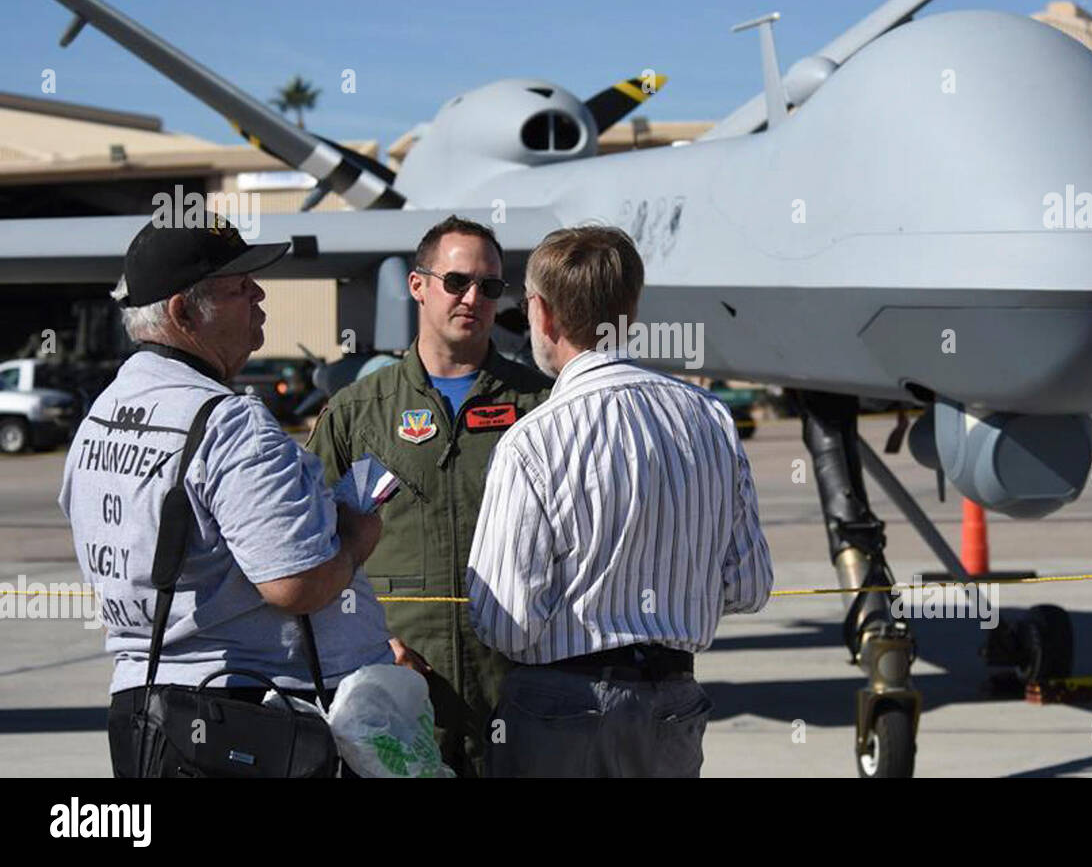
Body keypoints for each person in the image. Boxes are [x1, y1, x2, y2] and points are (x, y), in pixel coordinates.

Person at [57, 217, 394, 777]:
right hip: (247, 723)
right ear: (183, 314)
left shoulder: (101, 416)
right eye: (239, 287)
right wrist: (356, 538)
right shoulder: (229, 424)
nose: (259, 296)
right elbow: (297, 584)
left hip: (151, 717)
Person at [467, 226, 773, 778]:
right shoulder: (710, 419)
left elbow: (506, 623)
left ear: (542, 314)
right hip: (669, 706)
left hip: (560, 711)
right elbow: (748, 586)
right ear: (630, 311)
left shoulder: (534, 440)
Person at [307, 215, 552, 776]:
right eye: (456, 281)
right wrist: (368, 644)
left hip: (519, 690)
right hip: (399, 695)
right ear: (417, 286)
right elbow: (304, 548)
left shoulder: (542, 407)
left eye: (489, 287)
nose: (473, 298)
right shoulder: (358, 411)